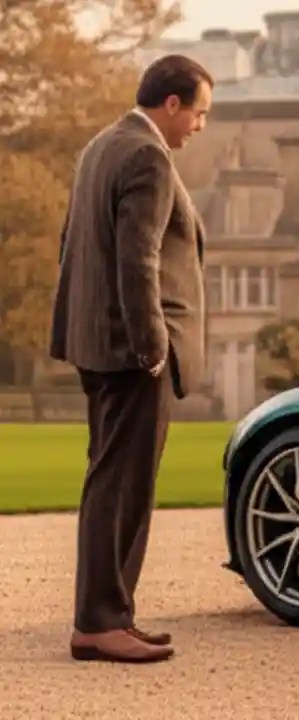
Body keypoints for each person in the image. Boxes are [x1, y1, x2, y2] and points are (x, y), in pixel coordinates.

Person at [49, 54, 213, 663]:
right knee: (123, 484)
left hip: (96, 342)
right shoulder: (147, 156)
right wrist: (151, 349)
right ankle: (101, 621)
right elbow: (137, 258)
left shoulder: (99, 146)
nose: (200, 124)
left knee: (108, 479)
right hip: (129, 351)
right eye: (199, 112)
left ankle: (109, 614)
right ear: (172, 104)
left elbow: (72, 244)